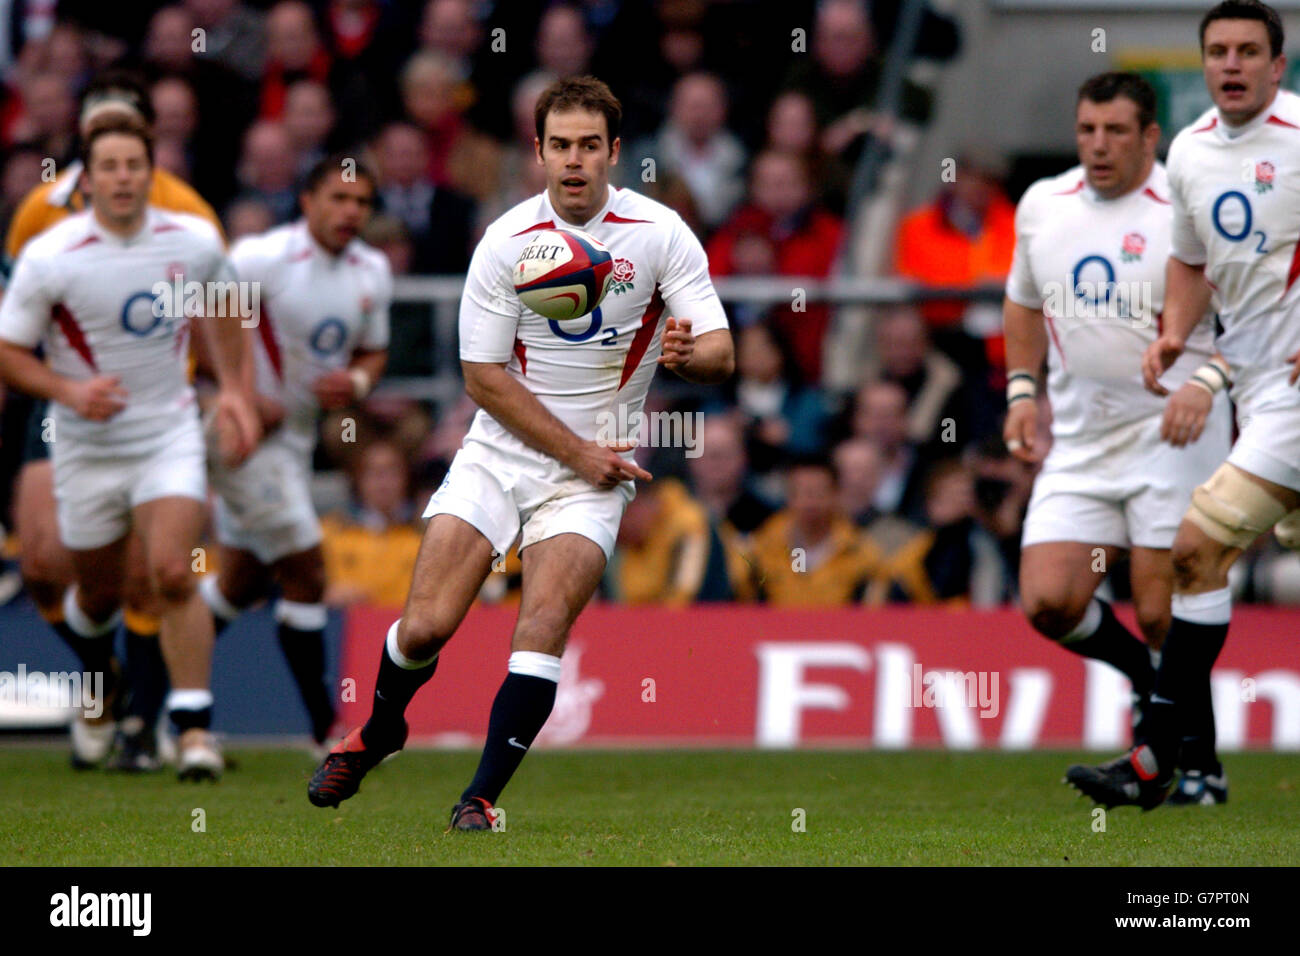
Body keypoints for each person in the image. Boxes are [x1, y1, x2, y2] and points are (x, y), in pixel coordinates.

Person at [307, 75, 734, 828]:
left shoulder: (661, 233)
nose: (574, 161)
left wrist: (689, 356)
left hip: (594, 477)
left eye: (589, 146)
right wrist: (578, 451)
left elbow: (722, 351)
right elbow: (481, 377)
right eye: (560, 145)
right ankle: (381, 729)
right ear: (537, 151)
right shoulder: (505, 241)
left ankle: (480, 798)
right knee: (428, 625)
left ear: (614, 153)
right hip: (502, 454)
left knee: (540, 624)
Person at [1067, 2, 1300, 809]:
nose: (1231, 64)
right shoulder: (1194, 156)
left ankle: (1158, 758)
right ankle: (1170, 761)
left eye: (1248, 52)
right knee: (1199, 556)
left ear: (1278, 65)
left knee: (1196, 546)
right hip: (1263, 391)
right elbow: (1190, 260)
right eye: (1217, 51)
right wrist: (1173, 334)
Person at [0, 111, 258, 780]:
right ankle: (104, 680)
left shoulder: (194, 239)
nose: (122, 178)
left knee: (172, 571)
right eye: (109, 166)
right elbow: (8, 351)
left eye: (134, 166)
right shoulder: (52, 255)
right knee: (96, 598)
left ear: (152, 173)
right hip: (84, 446)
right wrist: (66, 390)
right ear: (88, 178)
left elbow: (228, 311)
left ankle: (194, 728)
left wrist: (232, 390)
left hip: (166, 432)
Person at [1004, 71, 1234, 803]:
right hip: (1079, 439)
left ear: (1150, 137)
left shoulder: (1188, 208)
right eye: (1086, 130)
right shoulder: (1043, 204)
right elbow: (1022, 305)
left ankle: (1199, 765)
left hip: (1174, 433)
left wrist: (1208, 382)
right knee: (1049, 602)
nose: (1098, 146)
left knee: (1164, 610)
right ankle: (1146, 681)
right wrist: (1021, 393)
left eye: (1116, 131)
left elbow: (1257, 320)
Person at [198, 152, 391, 750]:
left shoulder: (372, 271)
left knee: (240, 582)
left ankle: (146, 697)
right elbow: (203, 319)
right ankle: (323, 729)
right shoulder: (262, 257)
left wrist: (357, 384)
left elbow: (373, 352)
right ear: (307, 202)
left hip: (297, 439)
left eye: (360, 202)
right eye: (338, 198)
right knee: (307, 567)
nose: (350, 211)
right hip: (245, 435)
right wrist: (243, 393)